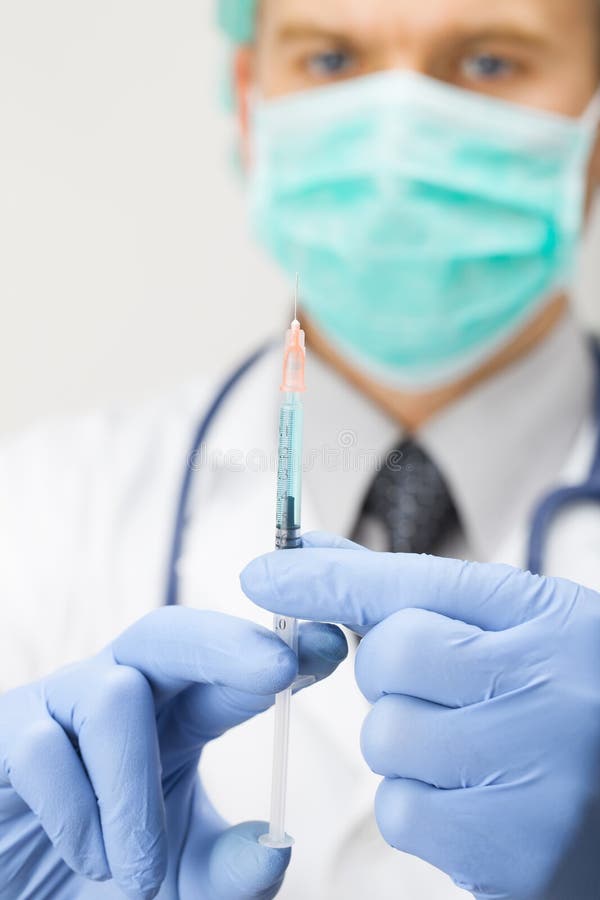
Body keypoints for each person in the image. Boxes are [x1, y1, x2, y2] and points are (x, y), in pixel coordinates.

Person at [2, 0, 600, 897]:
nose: (396, 137)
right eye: (329, 61)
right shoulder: (38, 507)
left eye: (487, 63)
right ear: (250, 104)